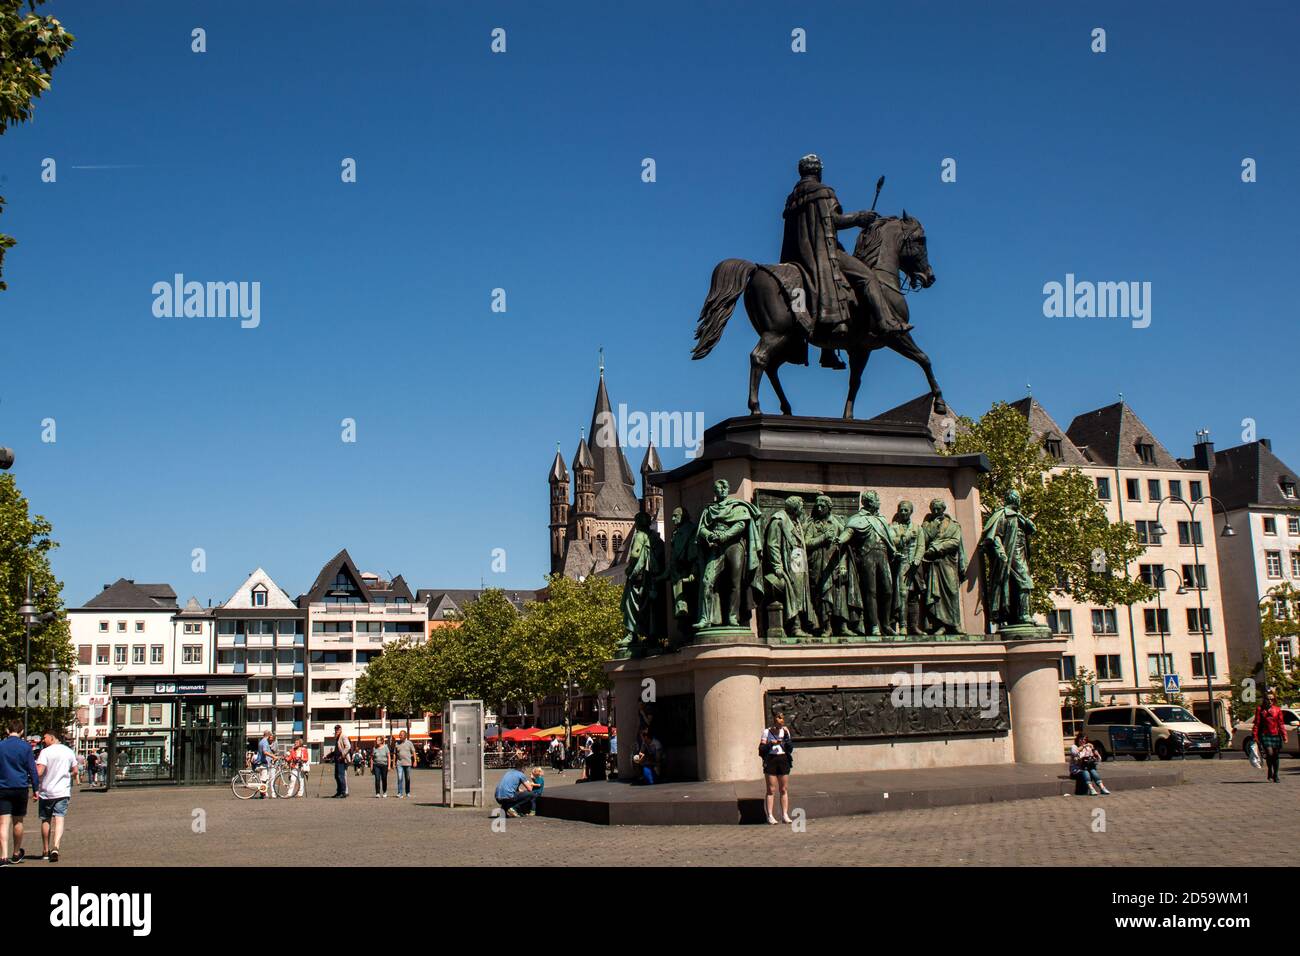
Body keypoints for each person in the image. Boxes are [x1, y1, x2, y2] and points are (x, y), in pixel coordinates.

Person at [779, 153, 883, 369]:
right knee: (868, 277)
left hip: (798, 258)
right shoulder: (823, 192)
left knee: (825, 290)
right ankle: (886, 323)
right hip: (823, 254)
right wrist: (859, 218)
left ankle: (828, 351)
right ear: (818, 171)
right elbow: (834, 220)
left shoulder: (792, 198)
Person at [0, 720, 39, 865]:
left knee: (3, 823)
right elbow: (32, 769)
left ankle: (3, 856)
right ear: (22, 731)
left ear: (7, 730)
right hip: (20, 788)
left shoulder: (1, 746)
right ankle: (16, 853)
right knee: (18, 821)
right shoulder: (26, 747)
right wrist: (36, 788)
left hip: (2, 787)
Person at [36, 729, 77, 862]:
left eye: (45, 737)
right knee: (59, 819)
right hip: (62, 791)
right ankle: (56, 847)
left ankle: (45, 849)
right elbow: (75, 770)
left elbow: (40, 771)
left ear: (52, 738)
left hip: (47, 792)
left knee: (46, 819)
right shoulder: (68, 751)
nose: (43, 740)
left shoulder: (45, 752)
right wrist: (66, 776)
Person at [760, 711, 795, 824]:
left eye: (782, 720)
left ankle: (784, 814)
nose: (781, 722)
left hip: (783, 759)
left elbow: (790, 748)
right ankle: (770, 815)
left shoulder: (785, 731)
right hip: (771, 760)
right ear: (774, 720)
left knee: (783, 789)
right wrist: (771, 744)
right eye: (779, 720)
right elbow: (761, 749)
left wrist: (785, 738)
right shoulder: (767, 732)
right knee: (771, 789)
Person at [1254, 689, 1289, 783]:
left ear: (1274, 700)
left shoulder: (1277, 710)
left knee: (1276, 755)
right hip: (1265, 735)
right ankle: (1270, 769)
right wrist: (1255, 736)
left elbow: (1281, 723)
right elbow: (1257, 723)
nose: (1270, 701)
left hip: (1276, 734)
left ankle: (1276, 774)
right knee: (1269, 753)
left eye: (1272, 699)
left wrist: (1284, 735)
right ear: (1264, 699)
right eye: (1268, 699)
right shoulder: (1260, 709)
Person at [1068, 731, 1110, 796]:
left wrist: (1095, 753)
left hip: (1087, 767)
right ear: (1078, 739)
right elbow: (1075, 753)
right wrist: (1085, 746)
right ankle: (1091, 789)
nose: (1083, 741)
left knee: (1093, 771)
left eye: (1084, 739)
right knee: (1085, 772)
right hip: (1076, 770)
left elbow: (1098, 759)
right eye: (1081, 739)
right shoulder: (1074, 746)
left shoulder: (1087, 748)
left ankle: (1102, 788)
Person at [254, 731, 278, 799]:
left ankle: (263, 793)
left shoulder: (261, 741)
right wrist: (273, 756)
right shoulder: (265, 742)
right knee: (264, 780)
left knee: (263, 779)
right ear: (268, 735)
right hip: (263, 763)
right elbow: (265, 752)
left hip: (260, 762)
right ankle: (262, 794)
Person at [393, 730, 417, 799]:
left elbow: (413, 752)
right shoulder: (396, 743)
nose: (400, 736)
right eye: (399, 735)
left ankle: (407, 792)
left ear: (405, 736)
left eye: (401, 735)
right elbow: (394, 754)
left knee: (407, 778)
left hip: (408, 763)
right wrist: (393, 763)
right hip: (399, 763)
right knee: (399, 778)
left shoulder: (409, 743)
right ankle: (400, 793)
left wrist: (415, 761)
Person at [330, 725, 351, 798]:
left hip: (341, 759)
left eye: (338, 729)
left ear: (341, 729)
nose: (336, 731)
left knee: (341, 776)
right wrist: (329, 755)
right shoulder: (337, 737)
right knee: (337, 776)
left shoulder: (343, 736)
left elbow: (348, 746)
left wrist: (342, 755)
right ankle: (339, 792)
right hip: (337, 758)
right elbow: (336, 749)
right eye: (335, 729)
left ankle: (343, 792)